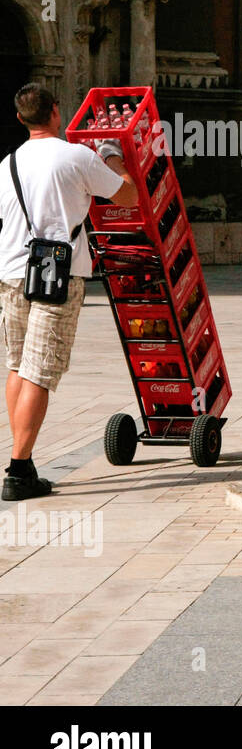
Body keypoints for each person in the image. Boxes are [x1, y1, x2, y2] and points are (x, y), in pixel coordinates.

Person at [0, 84, 137, 501]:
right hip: (58, 278)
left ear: (20, 119)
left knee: (18, 365)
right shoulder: (77, 157)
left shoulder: (8, 163)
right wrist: (115, 158)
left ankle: (24, 458)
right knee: (39, 371)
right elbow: (126, 196)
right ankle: (19, 470)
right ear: (56, 113)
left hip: (10, 272)